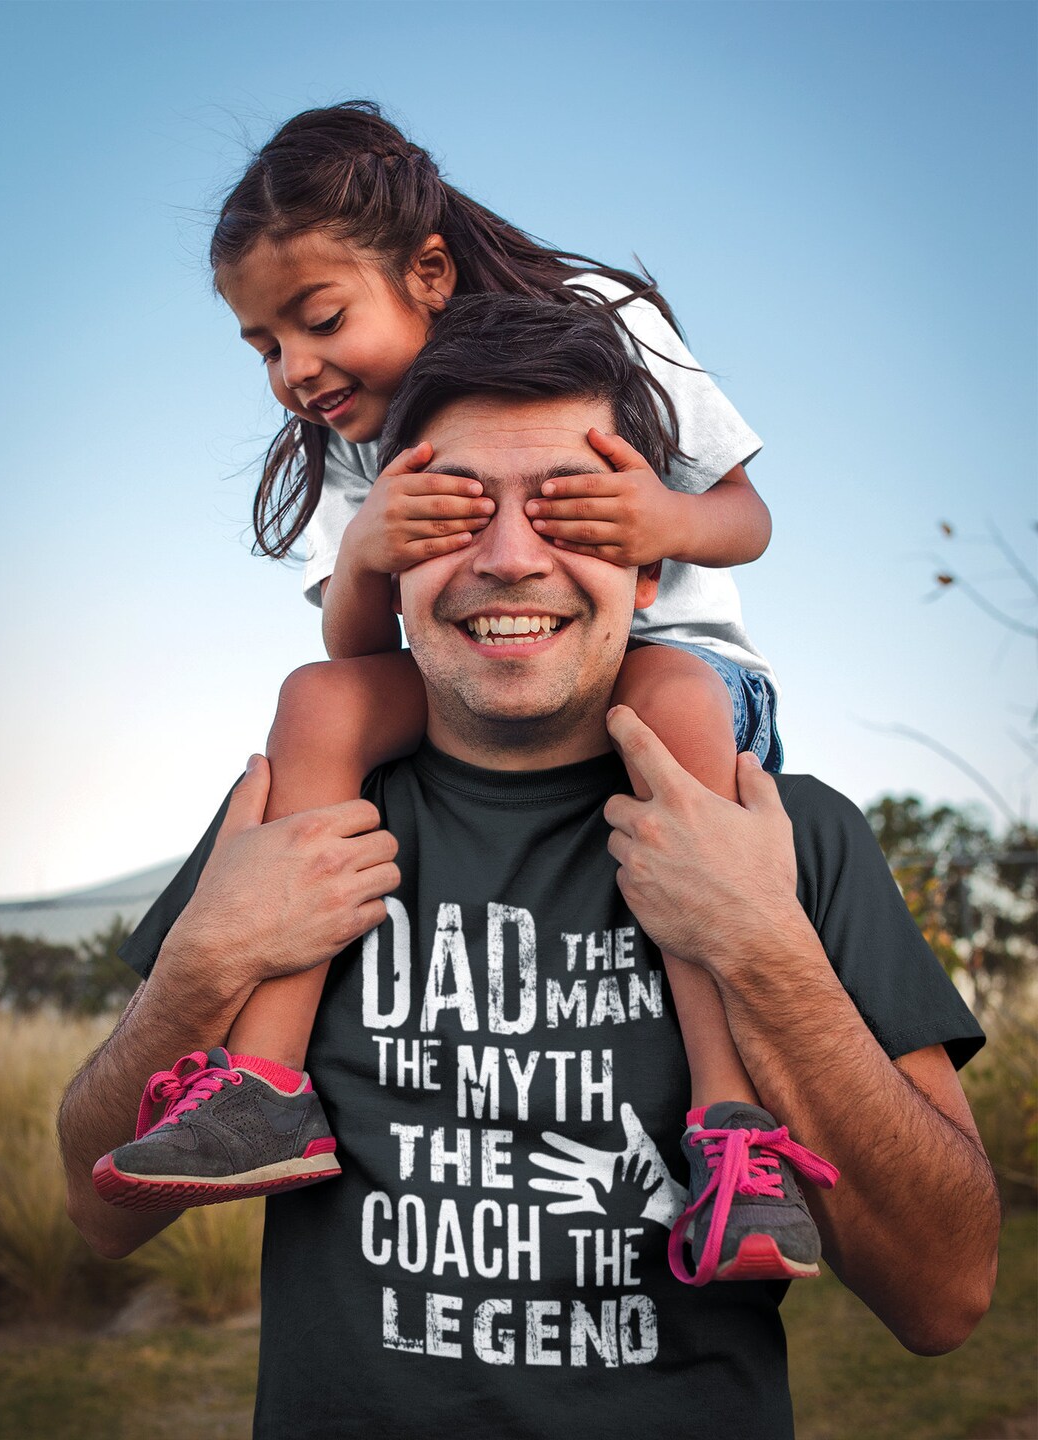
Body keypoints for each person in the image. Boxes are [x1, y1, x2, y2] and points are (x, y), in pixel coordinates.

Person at [59, 297, 998, 1440]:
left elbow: (947, 1298)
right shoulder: (295, 823)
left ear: (652, 571)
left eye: (569, 510)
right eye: (454, 512)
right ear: (389, 565)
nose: (509, 559)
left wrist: (763, 945)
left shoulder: (791, 837)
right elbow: (96, 1214)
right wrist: (202, 964)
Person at [90, 106, 805, 1282]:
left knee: (668, 689)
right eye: (263, 346)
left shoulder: (597, 319)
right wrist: (369, 545)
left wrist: (659, 523)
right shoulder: (355, 442)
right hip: (482, 672)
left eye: (317, 322)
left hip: (675, 668)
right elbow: (361, 643)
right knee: (316, 698)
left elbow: (747, 516)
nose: (296, 369)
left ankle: (735, 1139)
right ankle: (263, 1091)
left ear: (426, 270)